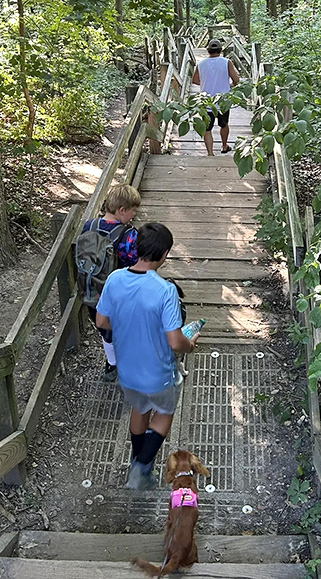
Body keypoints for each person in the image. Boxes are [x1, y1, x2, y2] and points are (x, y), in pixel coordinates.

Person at [96, 222, 198, 490]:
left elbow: (102, 321)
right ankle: (141, 469)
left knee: (140, 409)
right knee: (164, 412)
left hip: (127, 370)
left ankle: (135, 459)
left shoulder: (115, 279)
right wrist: (191, 345)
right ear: (164, 254)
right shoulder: (165, 291)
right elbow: (175, 341)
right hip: (158, 372)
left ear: (138, 248)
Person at [81, 183, 141, 382]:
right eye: (133, 211)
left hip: (92, 292)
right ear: (122, 210)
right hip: (119, 295)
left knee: (106, 331)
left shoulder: (88, 226)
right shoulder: (128, 235)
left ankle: (111, 364)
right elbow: (136, 264)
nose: (133, 215)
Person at [191, 37, 240, 155]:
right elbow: (236, 80)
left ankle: (210, 153)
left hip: (206, 101)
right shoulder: (226, 62)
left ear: (208, 50)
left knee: (207, 129)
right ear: (220, 50)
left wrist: (206, 83)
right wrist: (229, 85)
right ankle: (224, 146)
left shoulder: (200, 64)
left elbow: (195, 80)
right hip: (223, 102)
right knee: (224, 125)